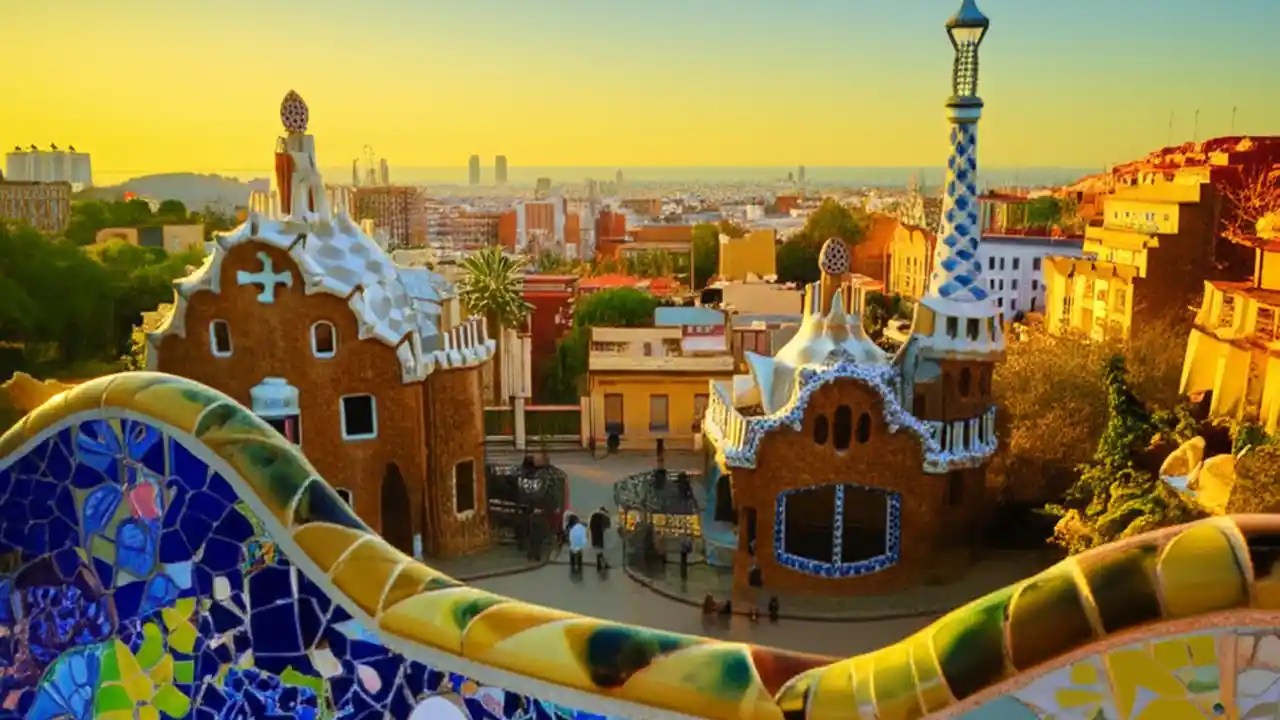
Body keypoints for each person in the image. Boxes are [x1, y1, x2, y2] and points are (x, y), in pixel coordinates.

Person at [588, 506, 611, 571]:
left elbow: (590, 526)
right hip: (601, 535)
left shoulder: (594, 515)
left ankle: (600, 564)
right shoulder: (603, 516)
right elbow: (607, 526)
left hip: (595, 536)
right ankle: (603, 564)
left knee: (599, 550)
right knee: (603, 550)